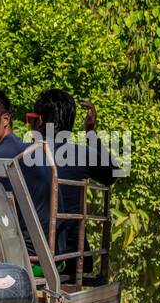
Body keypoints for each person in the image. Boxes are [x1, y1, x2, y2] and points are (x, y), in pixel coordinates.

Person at [20, 88, 113, 281]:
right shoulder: (80, 154)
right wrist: (90, 132)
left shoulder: (21, 155)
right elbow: (111, 175)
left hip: (26, 253)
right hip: (71, 256)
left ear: (39, 121)